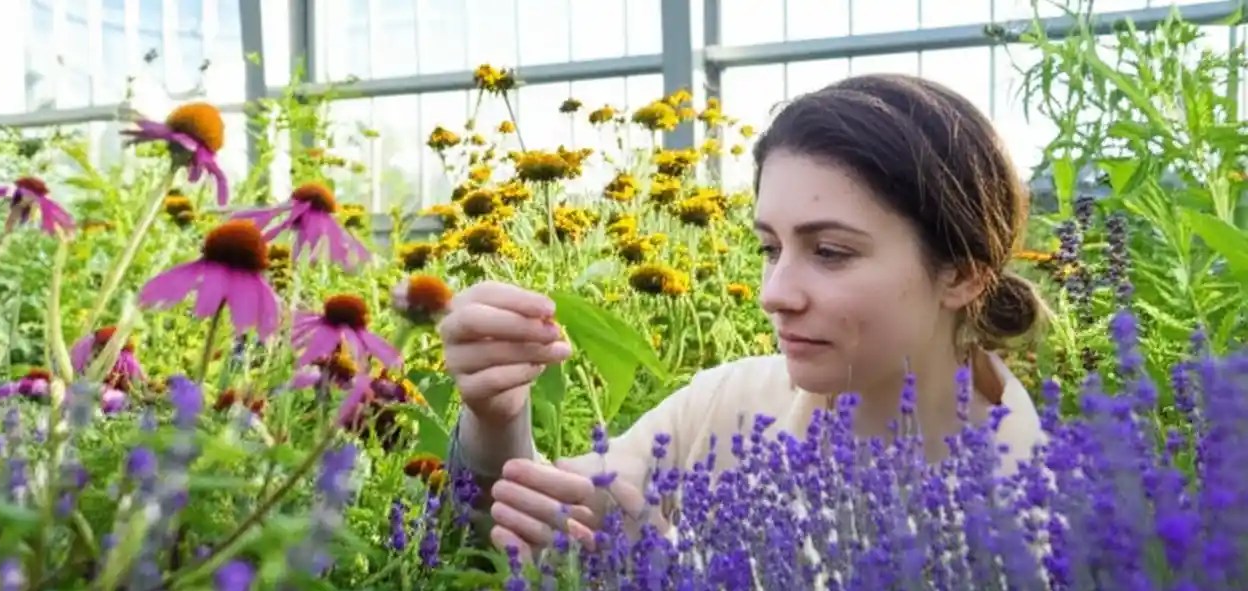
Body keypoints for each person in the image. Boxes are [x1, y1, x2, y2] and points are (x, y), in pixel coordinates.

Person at [438, 73, 1049, 562]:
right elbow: (530, 518)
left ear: (963, 272)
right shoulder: (730, 405)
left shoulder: (1022, 511)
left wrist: (659, 568)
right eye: (769, 248)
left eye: (829, 252)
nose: (775, 292)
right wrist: (498, 416)